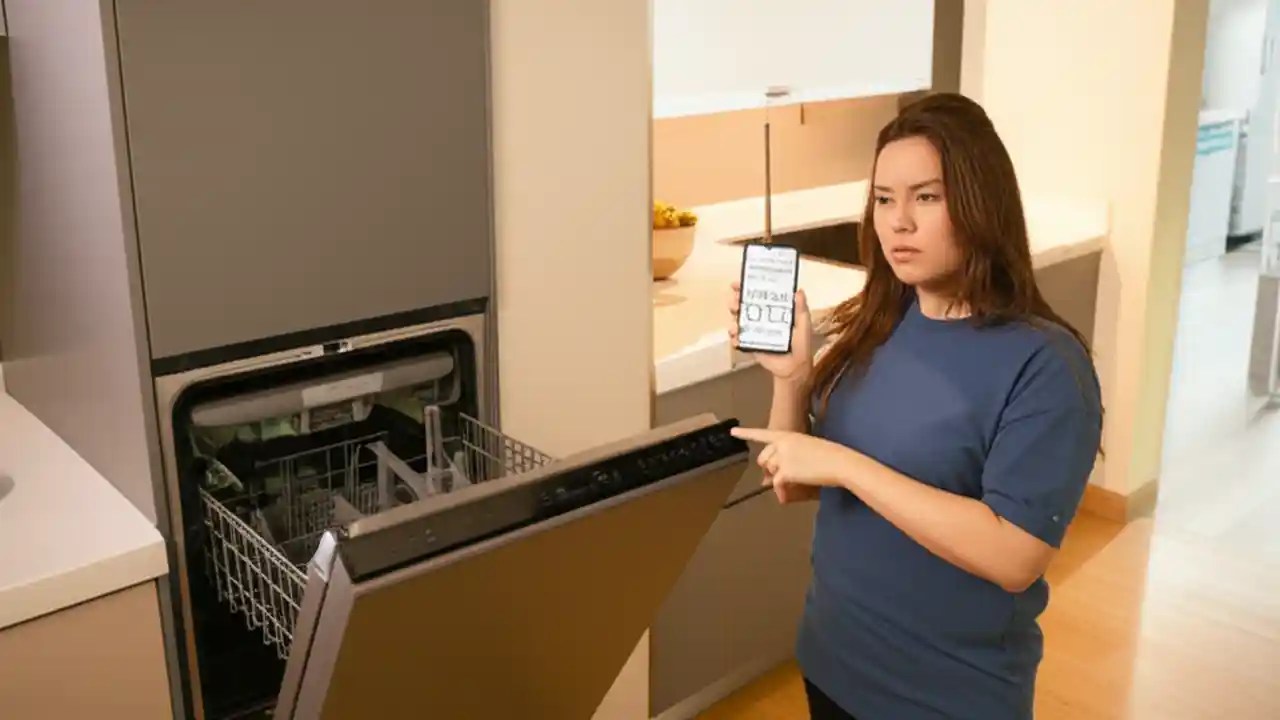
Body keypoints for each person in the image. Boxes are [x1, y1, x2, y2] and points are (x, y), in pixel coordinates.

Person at [726, 92, 1103, 719]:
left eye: (926, 197)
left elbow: (1014, 556)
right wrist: (792, 380)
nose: (898, 220)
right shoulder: (880, 323)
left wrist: (845, 465)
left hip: (944, 697)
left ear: (981, 202)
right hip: (833, 662)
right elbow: (794, 485)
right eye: (882, 199)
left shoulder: (1045, 366)